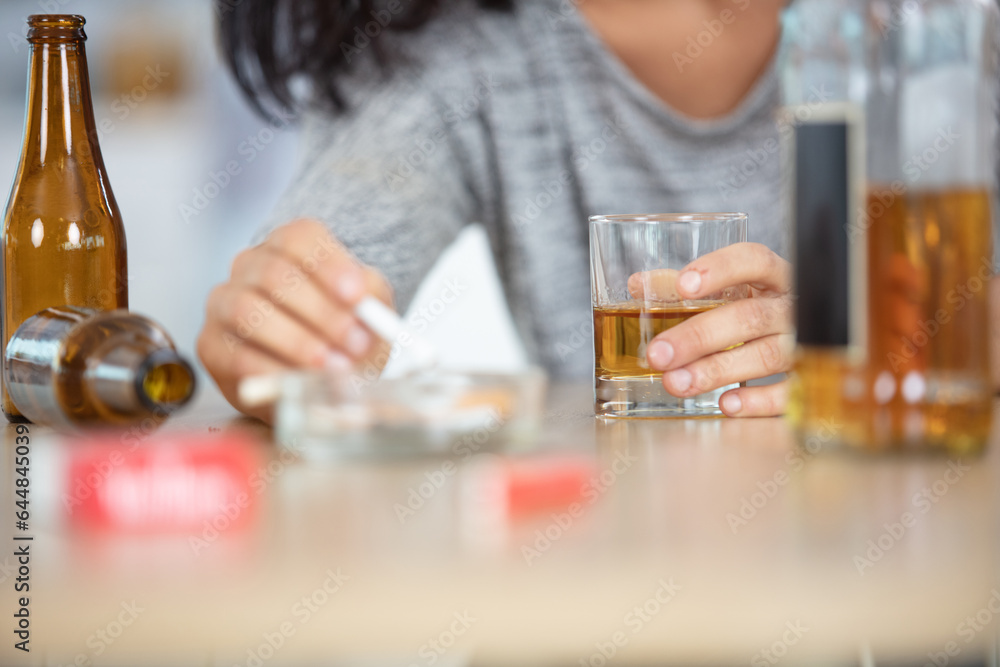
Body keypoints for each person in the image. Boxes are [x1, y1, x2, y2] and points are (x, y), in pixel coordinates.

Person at [197, 0, 995, 423]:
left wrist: (916, 337)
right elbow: (331, 259)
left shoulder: (932, 28)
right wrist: (286, 327)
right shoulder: (459, 44)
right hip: (589, 601)